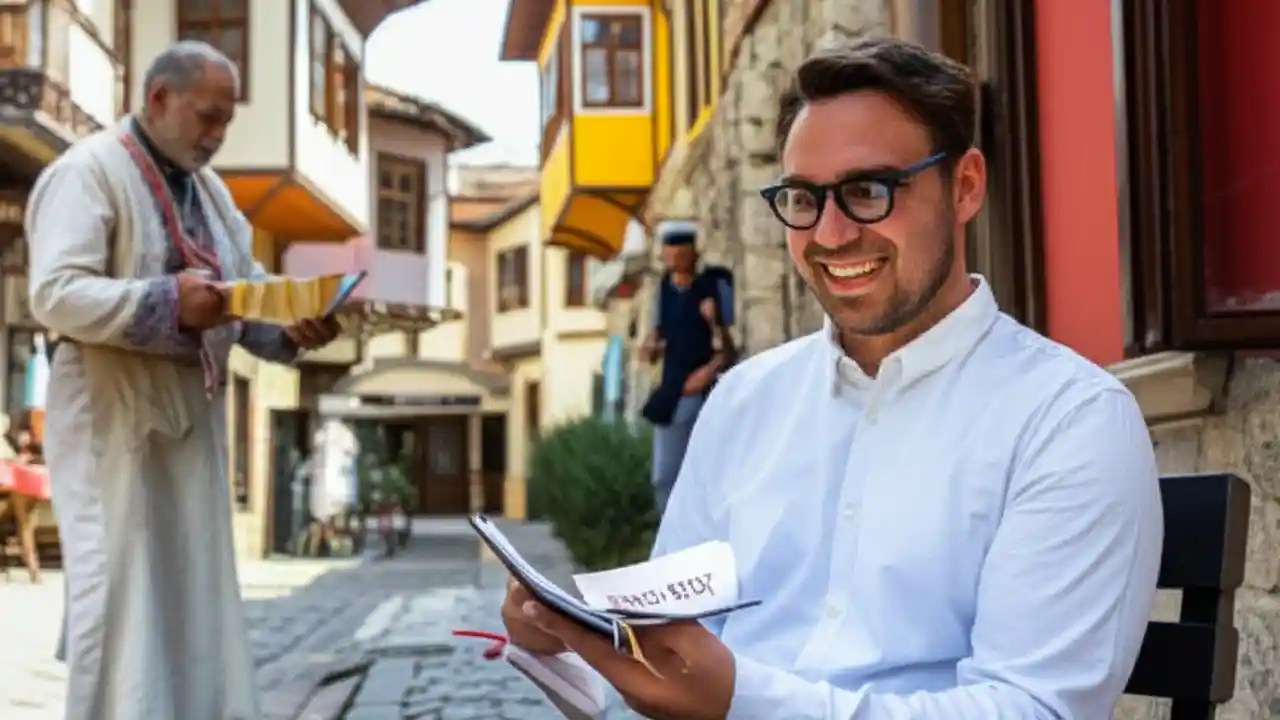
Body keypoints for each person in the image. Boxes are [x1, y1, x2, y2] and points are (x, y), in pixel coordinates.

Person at [499, 37, 1163, 719]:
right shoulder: (744, 402)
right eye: (802, 198)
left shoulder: (1068, 421)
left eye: (868, 191)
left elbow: (1034, 710)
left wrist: (738, 699)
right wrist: (571, 645)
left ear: (964, 186)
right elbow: (669, 650)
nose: (831, 234)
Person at [25, 41, 340, 719]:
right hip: (113, 418)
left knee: (193, 599)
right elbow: (53, 294)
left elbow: (240, 291)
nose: (218, 135)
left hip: (190, 426)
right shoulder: (89, 172)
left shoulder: (211, 192)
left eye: (226, 120)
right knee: (120, 597)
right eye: (208, 116)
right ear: (159, 98)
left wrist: (290, 325)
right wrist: (167, 300)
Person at [639, 223, 731, 515]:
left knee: (708, 474)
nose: (675, 258)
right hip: (673, 390)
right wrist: (650, 347)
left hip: (705, 392)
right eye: (670, 252)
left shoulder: (714, 287)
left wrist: (708, 372)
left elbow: (730, 348)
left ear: (694, 254)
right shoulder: (661, 292)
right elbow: (653, 345)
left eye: (682, 252)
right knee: (665, 476)